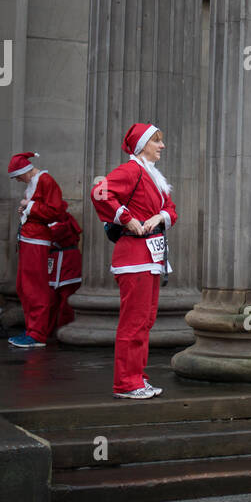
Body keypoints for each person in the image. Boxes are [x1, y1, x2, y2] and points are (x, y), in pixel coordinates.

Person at [90, 123, 177, 400]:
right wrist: (127, 218)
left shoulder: (152, 174)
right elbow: (99, 193)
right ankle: (127, 383)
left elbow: (171, 210)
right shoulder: (131, 170)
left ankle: (137, 378)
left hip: (150, 256)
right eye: (156, 141)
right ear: (142, 146)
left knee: (145, 321)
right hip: (135, 258)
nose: (162, 146)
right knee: (134, 322)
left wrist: (158, 217)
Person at [7, 152, 65, 349]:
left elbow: (56, 211)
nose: (17, 180)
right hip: (30, 238)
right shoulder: (38, 182)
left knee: (34, 287)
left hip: (36, 240)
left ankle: (37, 333)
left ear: (25, 171)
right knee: (25, 287)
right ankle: (33, 330)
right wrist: (27, 209)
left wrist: (29, 206)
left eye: (17, 176)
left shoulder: (46, 181)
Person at [45, 202, 83, 339]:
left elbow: (52, 234)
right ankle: (46, 332)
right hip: (55, 262)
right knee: (50, 301)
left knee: (66, 302)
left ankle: (64, 332)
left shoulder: (63, 219)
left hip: (68, 263)